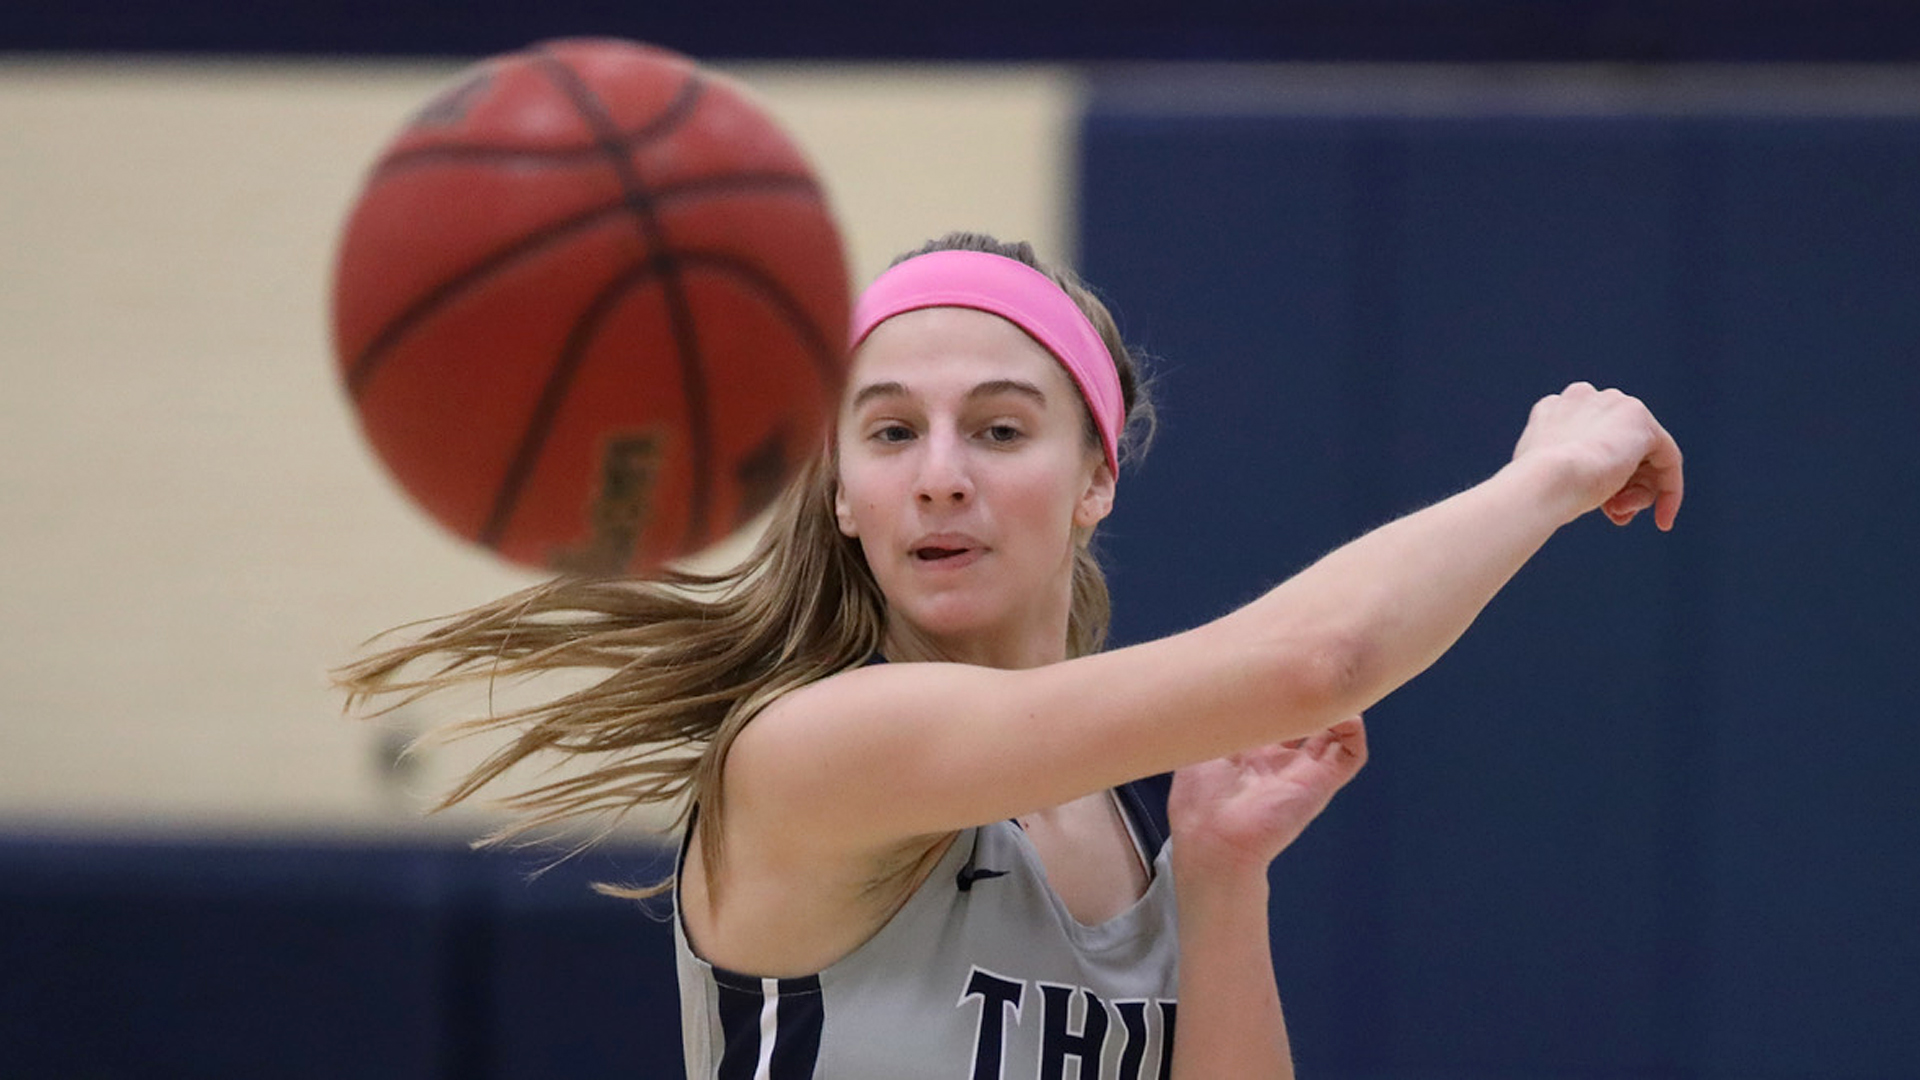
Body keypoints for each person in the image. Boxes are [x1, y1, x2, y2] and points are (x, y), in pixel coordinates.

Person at [339, 231, 1683, 1079]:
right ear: (840, 491)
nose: (939, 475)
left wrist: (1222, 880)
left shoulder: (1139, 821)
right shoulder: (812, 750)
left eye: (997, 429)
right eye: (889, 433)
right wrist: (1547, 479)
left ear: (1096, 478)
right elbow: (1319, 661)